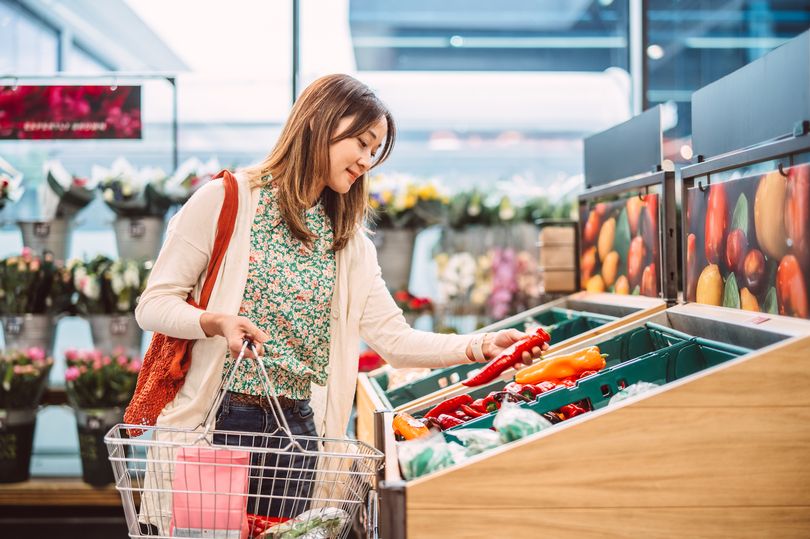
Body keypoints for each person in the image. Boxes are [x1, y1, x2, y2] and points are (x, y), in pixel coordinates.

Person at [134, 73, 546, 523]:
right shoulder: (225, 200)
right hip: (220, 421)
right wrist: (217, 322)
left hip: (297, 431)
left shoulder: (348, 243)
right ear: (319, 122)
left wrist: (482, 346)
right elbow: (154, 305)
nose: (367, 160)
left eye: (375, 151)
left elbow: (395, 340)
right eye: (362, 143)